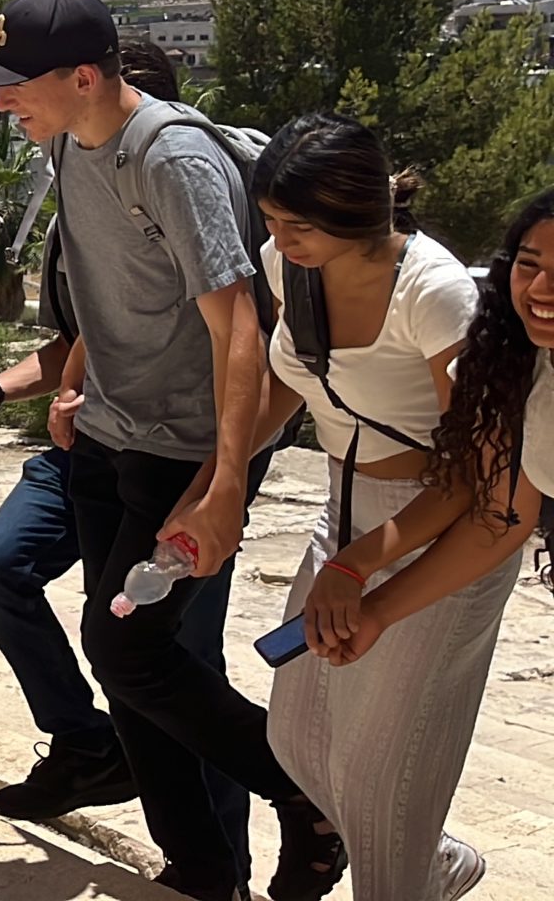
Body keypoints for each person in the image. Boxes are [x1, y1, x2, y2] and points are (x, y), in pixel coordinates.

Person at [0, 0, 335, 901]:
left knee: (131, 650)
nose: (3, 100)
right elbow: (102, 290)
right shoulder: (71, 146)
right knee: (123, 668)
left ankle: (306, 794)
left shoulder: (171, 158)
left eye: (17, 83)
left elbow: (237, 325)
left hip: (180, 452)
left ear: (84, 76)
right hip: (108, 440)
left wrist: (227, 480)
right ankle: (201, 872)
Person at [250, 117, 502, 901]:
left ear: (360, 213)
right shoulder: (289, 267)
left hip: (441, 530)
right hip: (343, 510)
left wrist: (355, 565)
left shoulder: (435, 293)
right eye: (272, 221)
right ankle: (437, 867)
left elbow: (474, 478)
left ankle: (413, 870)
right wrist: (219, 480)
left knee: (388, 781)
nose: (280, 240)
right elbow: (289, 384)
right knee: (297, 737)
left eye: (299, 224)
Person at [300, 189, 554, 901]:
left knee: (385, 784)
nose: (541, 289)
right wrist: (372, 599)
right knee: (301, 747)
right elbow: (500, 514)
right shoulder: (529, 369)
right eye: (528, 263)